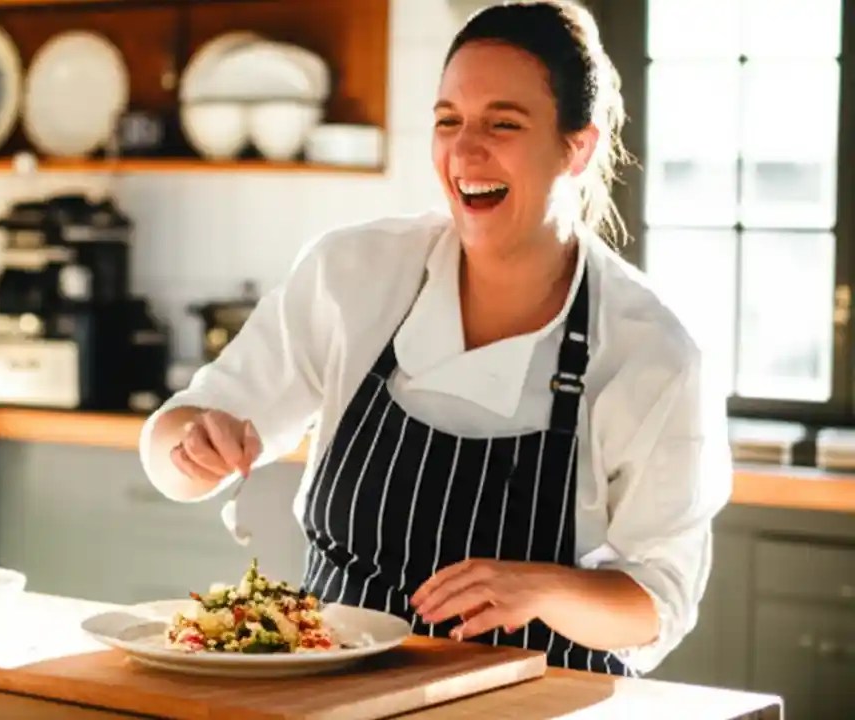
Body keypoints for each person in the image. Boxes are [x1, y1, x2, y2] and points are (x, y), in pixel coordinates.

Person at [138, 0, 730, 677]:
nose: (465, 151)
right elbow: (174, 439)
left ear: (578, 147)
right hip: (338, 696)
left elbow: (659, 602)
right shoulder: (354, 275)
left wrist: (539, 588)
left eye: (502, 123)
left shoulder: (649, 352)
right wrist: (190, 453)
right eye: (448, 121)